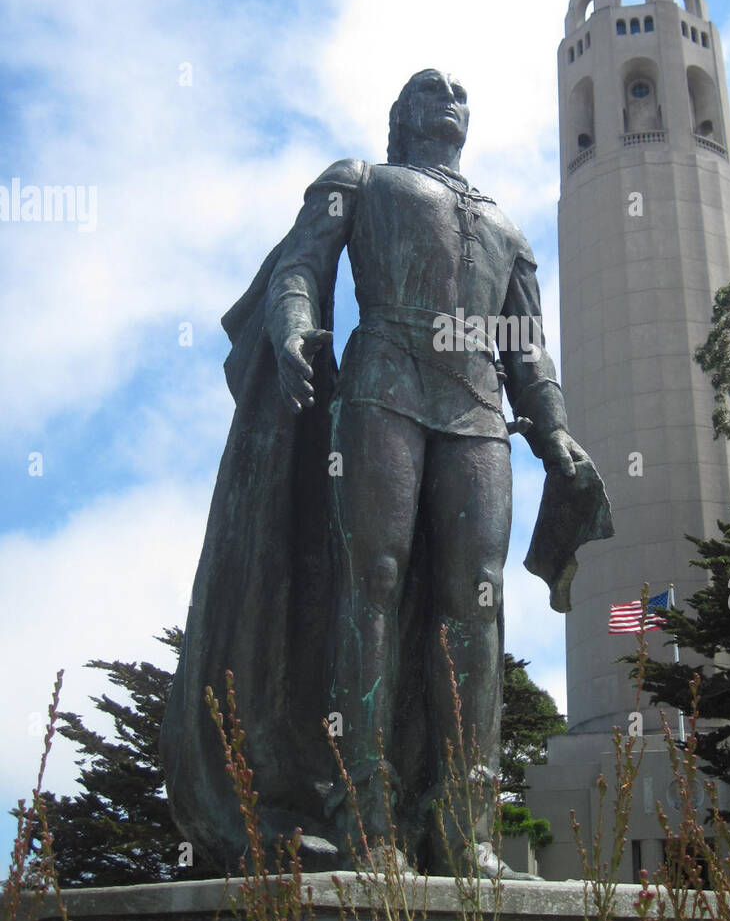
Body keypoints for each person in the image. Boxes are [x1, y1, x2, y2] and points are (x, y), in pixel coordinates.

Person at [161, 69, 612, 872]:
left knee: (474, 600)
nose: (447, 93)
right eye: (426, 88)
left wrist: (555, 431)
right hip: (382, 388)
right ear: (399, 117)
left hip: (476, 408)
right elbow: (300, 264)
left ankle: (462, 824)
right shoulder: (360, 181)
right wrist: (295, 323)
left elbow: (526, 348)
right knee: (370, 578)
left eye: (459, 90)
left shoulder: (505, 226)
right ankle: (363, 814)